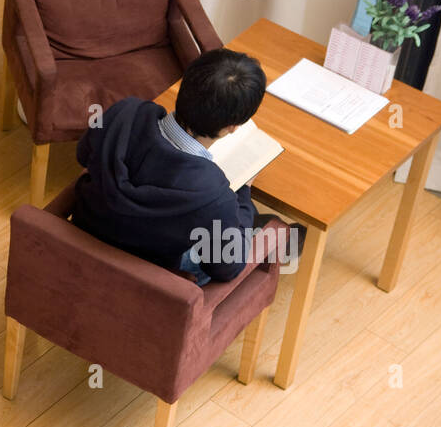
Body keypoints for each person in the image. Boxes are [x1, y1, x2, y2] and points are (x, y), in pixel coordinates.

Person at [72, 48, 297, 285]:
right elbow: (226, 269)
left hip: (82, 237)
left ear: (184, 86)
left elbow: (83, 155)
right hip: (149, 281)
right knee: (233, 233)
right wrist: (242, 193)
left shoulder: (124, 114)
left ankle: (245, 222)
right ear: (233, 126)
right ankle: (255, 226)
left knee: (221, 223)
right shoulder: (212, 196)